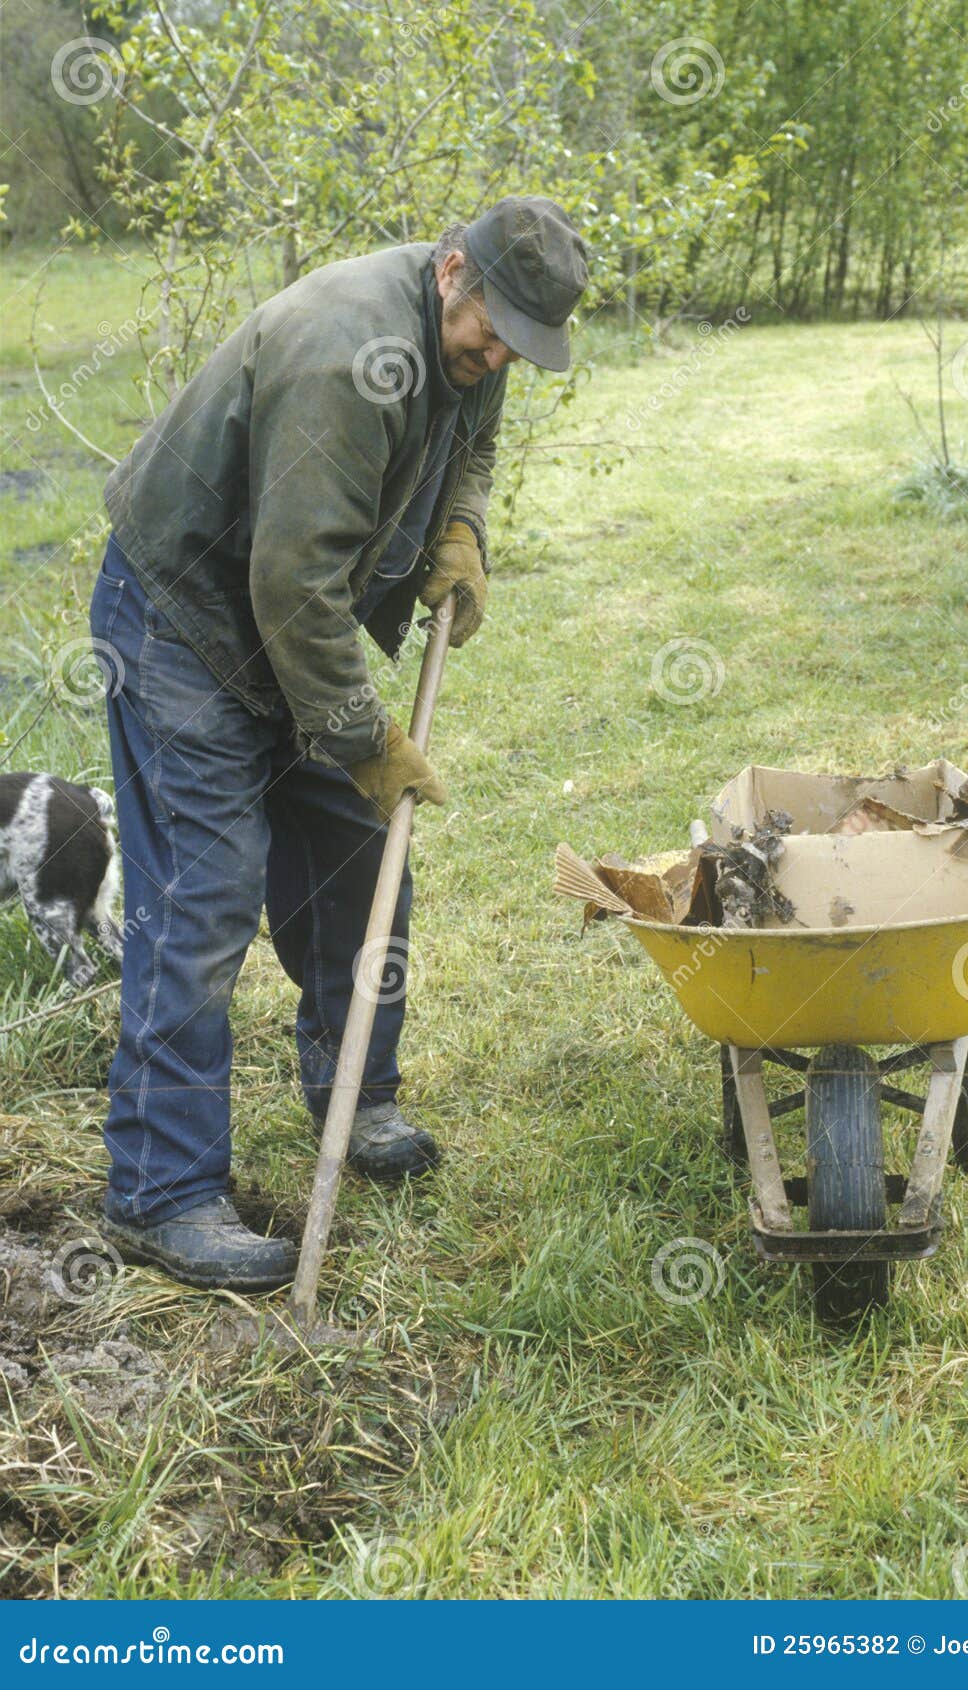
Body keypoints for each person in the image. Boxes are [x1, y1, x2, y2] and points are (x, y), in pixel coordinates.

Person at [89, 196, 589, 1292]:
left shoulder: (479, 329)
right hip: (187, 623)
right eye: (491, 331)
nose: (498, 354)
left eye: (519, 344)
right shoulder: (350, 351)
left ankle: (356, 1093)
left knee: (362, 860)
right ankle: (160, 1191)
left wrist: (461, 529)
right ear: (452, 269)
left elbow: (475, 437)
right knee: (204, 896)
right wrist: (364, 738)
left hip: (289, 622)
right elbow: (293, 583)